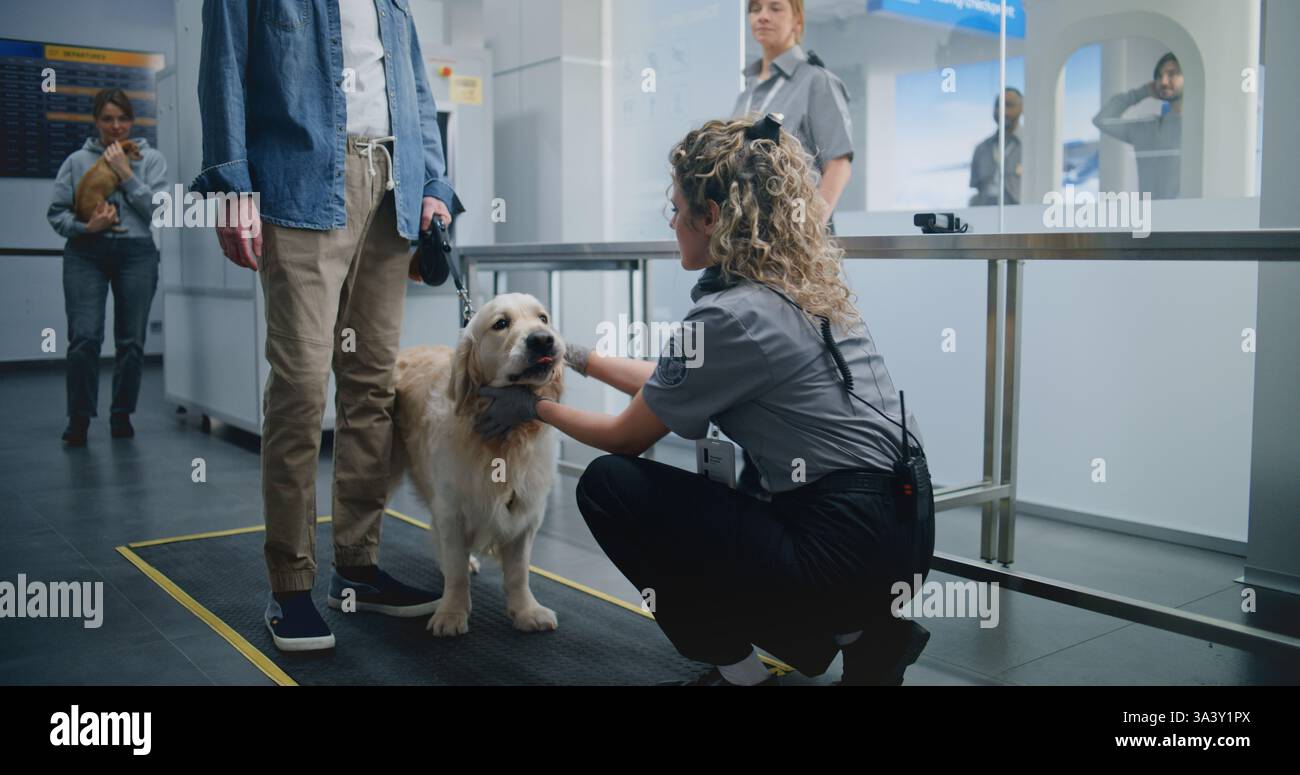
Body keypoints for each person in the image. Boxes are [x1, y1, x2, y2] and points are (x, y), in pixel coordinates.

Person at [476, 116, 935, 686]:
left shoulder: (727, 315)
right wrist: (573, 355)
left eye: (676, 208)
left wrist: (533, 407)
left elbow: (628, 437)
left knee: (609, 486)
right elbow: (678, 382)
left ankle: (750, 675)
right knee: (727, 493)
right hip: (904, 530)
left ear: (711, 217)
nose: (672, 222)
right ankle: (863, 634)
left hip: (839, 547)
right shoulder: (795, 285)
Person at [191, 0, 462, 652]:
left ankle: (358, 565)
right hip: (302, 181)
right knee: (303, 386)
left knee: (372, 384)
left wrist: (435, 181)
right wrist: (232, 184)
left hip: (394, 186)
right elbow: (223, 68)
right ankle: (290, 583)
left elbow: (417, 91)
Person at [47, 88, 167, 447]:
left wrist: (124, 173)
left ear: (131, 121)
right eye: (107, 119)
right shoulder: (76, 161)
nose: (116, 126)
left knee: (131, 340)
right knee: (84, 336)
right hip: (86, 253)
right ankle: (79, 419)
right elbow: (56, 213)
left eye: (122, 119)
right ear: (96, 121)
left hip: (136, 253)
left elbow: (158, 210)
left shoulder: (150, 159)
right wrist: (87, 227)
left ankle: (121, 415)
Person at [733, 0, 854, 227]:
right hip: (748, 234)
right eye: (755, 9)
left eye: (775, 8)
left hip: (794, 236)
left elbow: (838, 165)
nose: (763, 16)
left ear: (797, 21)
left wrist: (807, 231)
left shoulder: (816, 81)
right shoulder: (747, 91)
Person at [1092, 52, 1183, 200]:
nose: (1164, 81)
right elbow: (1101, 120)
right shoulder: (1146, 127)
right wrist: (1140, 93)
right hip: (1149, 219)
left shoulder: (1200, 126)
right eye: (1159, 76)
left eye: (1172, 74)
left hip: (1188, 218)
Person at [970, 87, 1023, 206]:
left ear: (1022, 108)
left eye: (1008, 105)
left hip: (1021, 216)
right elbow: (977, 189)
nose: (1002, 111)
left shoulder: (1030, 148)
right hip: (985, 216)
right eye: (998, 105)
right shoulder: (981, 149)